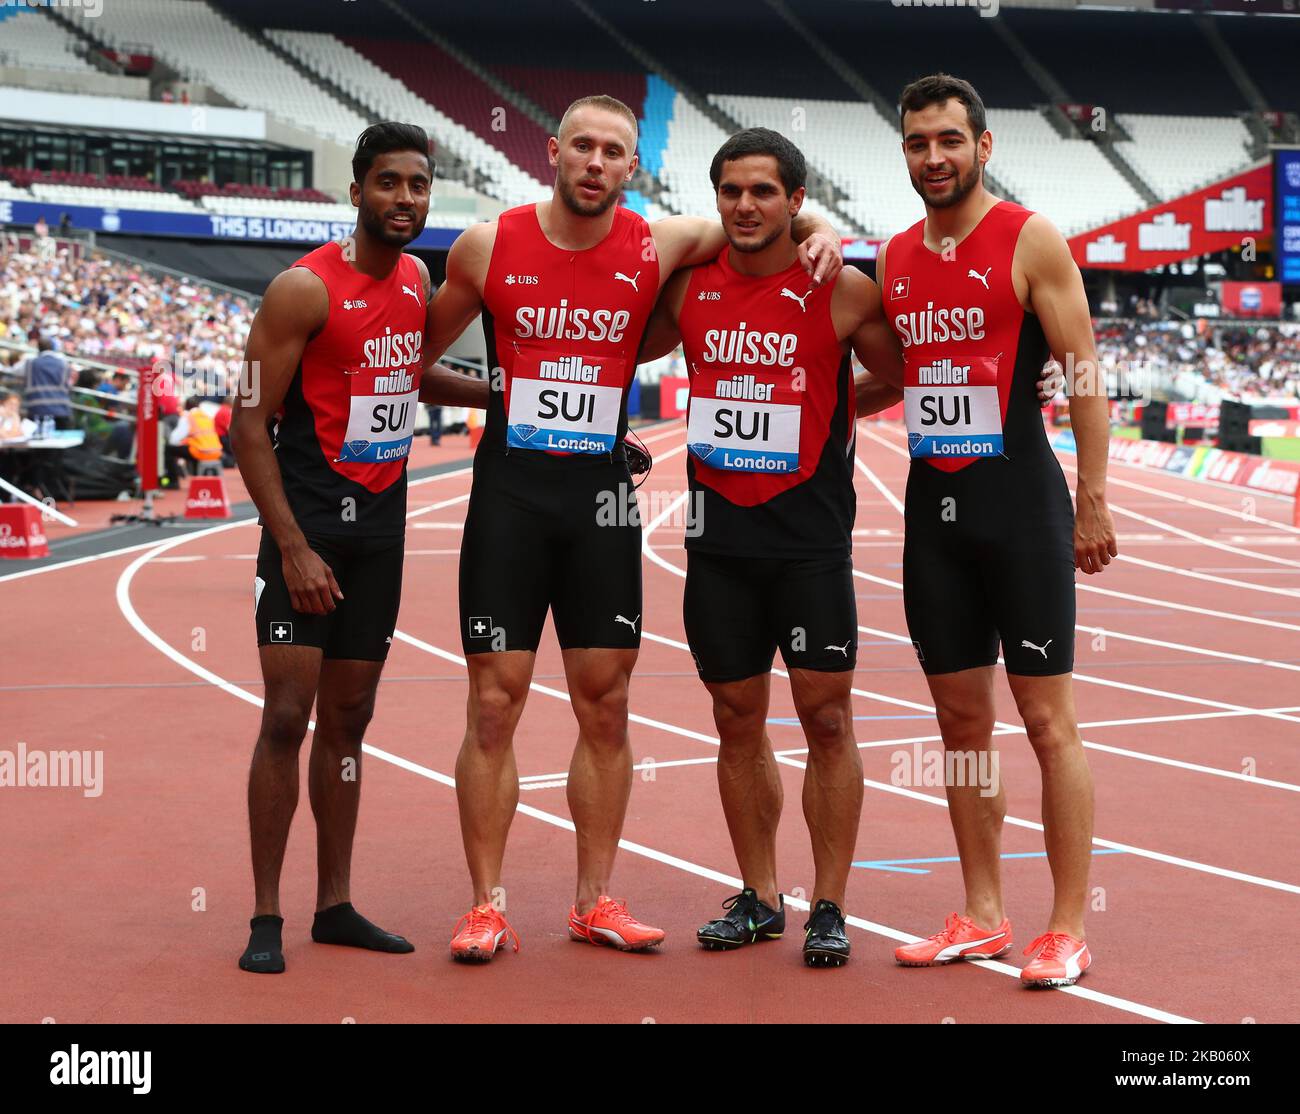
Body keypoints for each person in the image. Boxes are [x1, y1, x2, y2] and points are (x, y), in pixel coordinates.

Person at [424, 94, 843, 961]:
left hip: (602, 508)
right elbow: (412, 363)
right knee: (493, 705)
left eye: (613, 151)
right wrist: (494, 394)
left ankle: (594, 899)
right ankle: (485, 905)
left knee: (606, 707)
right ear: (552, 151)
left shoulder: (659, 245)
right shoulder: (487, 245)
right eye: (581, 146)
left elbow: (762, 218)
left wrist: (820, 233)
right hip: (509, 501)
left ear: (631, 169)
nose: (594, 163)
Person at [639, 128, 906, 966]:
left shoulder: (846, 290)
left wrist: (826, 414)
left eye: (764, 191)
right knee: (734, 719)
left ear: (796, 200)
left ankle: (829, 904)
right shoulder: (686, 291)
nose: (746, 205)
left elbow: (897, 375)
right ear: (716, 201)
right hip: (718, 540)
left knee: (827, 719)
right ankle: (759, 896)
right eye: (731, 192)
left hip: (810, 543)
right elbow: (612, 345)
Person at [878, 74, 1117, 987]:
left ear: (983, 146)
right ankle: (982, 913)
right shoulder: (896, 255)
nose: (932, 157)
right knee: (959, 722)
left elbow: (1083, 372)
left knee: (1048, 720)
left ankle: (1064, 927)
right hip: (934, 515)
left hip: (1021, 505)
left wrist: (1093, 497)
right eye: (915, 142)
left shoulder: (1029, 239)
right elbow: (891, 376)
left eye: (947, 140)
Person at [230, 122, 486, 974]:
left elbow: (409, 374)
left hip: (379, 533)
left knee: (350, 721)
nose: (405, 199)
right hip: (305, 535)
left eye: (418, 185)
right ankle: (266, 915)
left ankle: (333, 901)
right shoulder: (300, 291)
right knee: (284, 718)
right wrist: (293, 549)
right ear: (356, 193)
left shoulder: (418, 278)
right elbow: (247, 423)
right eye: (388, 184)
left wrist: (511, 394)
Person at [22, 335, 72, 431]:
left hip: (36, 410)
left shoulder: (30, 363)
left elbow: (13, 371)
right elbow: (68, 384)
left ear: (39, 348)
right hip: (61, 410)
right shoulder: (64, 363)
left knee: (38, 444)